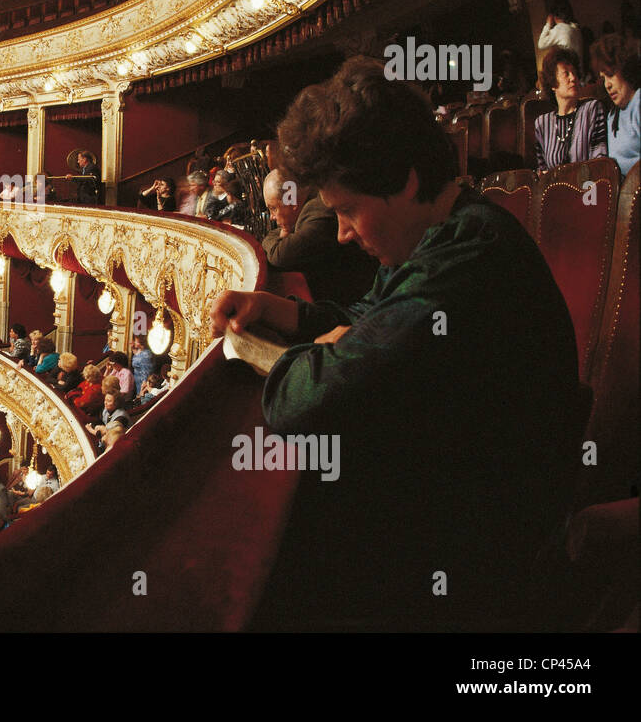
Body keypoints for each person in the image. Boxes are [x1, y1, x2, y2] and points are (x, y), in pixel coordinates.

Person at [210, 56, 580, 630]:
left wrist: (323, 355)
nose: (342, 233)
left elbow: (304, 403)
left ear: (402, 180)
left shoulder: (467, 260)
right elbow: (369, 317)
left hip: (476, 566)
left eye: (348, 210)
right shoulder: (440, 233)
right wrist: (283, 313)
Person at [261, 168, 377, 304]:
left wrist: (281, 235)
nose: (272, 217)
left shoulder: (318, 212)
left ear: (291, 198)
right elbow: (273, 240)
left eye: (273, 208)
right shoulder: (307, 208)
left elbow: (280, 257)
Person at [533, 48, 607, 170]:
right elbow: (543, 172)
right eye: (566, 73)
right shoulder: (542, 124)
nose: (573, 78)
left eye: (574, 73)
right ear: (552, 83)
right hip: (556, 188)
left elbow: (600, 160)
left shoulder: (592, 109)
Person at [590, 33, 640, 175]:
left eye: (610, 75)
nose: (607, 85)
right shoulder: (613, 114)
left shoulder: (638, 102)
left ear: (625, 69)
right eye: (603, 78)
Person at [537, 0, 585, 68]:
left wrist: (548, 24)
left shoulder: (560, 29)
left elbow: (541, 44)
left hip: (568, 70)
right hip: (579, 71)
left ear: (554, 15)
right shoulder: (577, 29)